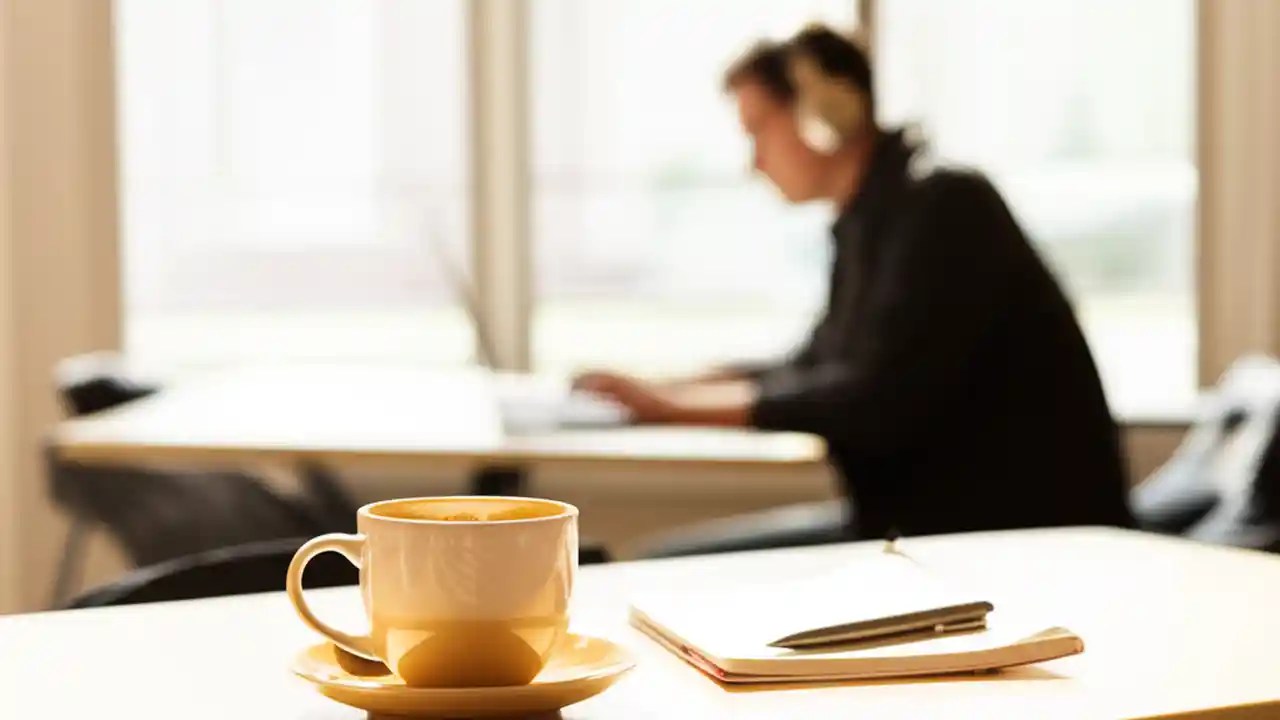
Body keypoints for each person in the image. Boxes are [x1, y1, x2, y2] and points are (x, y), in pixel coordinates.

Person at [575, 25, 1133, 546]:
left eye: (757, 132)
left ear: (822, 114)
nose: (755, 163)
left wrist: (671, 407)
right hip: (920, 532)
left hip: (1008, 541)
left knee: (666, 573)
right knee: (666, 564)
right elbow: (815, 361)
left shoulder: (944, 207)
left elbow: (870, 399)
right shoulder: (876, 218)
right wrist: (669, 388)